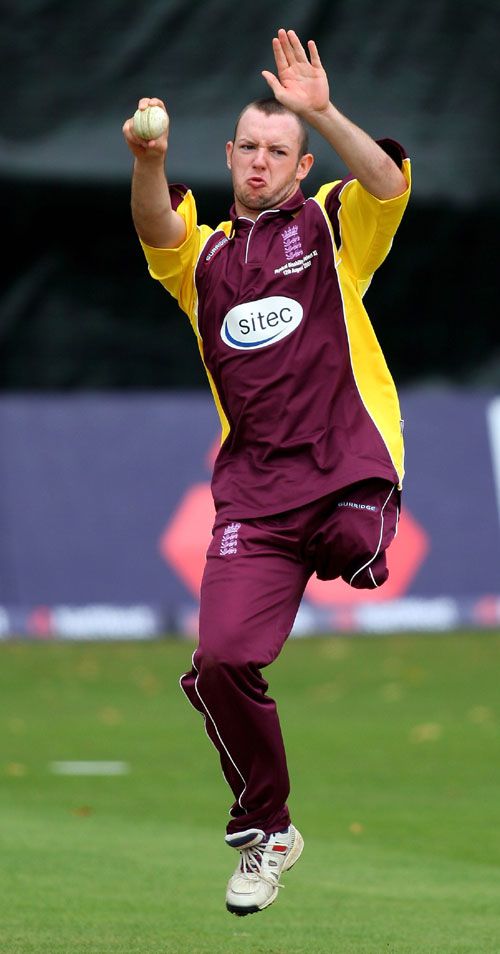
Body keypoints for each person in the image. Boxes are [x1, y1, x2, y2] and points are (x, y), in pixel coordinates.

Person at [123, 27, 411, 917]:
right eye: (248, 147)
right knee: (219, 662)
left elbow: (387, 182)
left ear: (299, 162)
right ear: (228, 154)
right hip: (254, 493)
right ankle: (268, 830)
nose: (260, 162)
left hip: (349, 468)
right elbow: (156, 226)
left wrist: (322, 112)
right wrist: (149, 160)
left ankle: (355, 542)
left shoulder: (330, 225)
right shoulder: (204, 259)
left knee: (357, 543)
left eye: (277, 150)